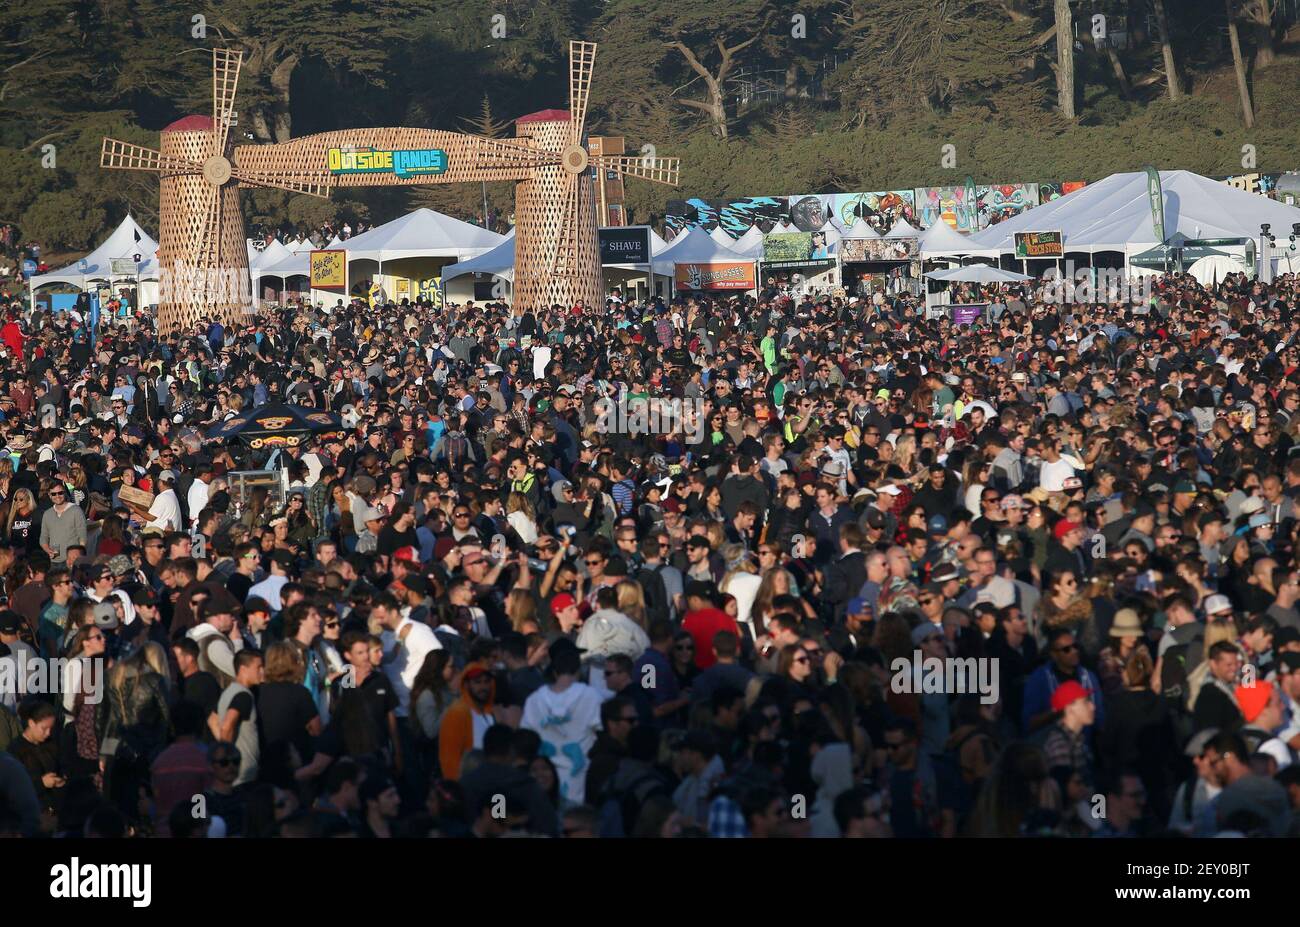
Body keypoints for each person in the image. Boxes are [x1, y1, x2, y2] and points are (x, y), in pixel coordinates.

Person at [521, 638, 602, 805]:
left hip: (544, 776)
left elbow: (525, 736)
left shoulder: (534, 699)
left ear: (555, 672)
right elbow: (600, 730)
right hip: (579, 774)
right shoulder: (590, 696)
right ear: (578, 671)